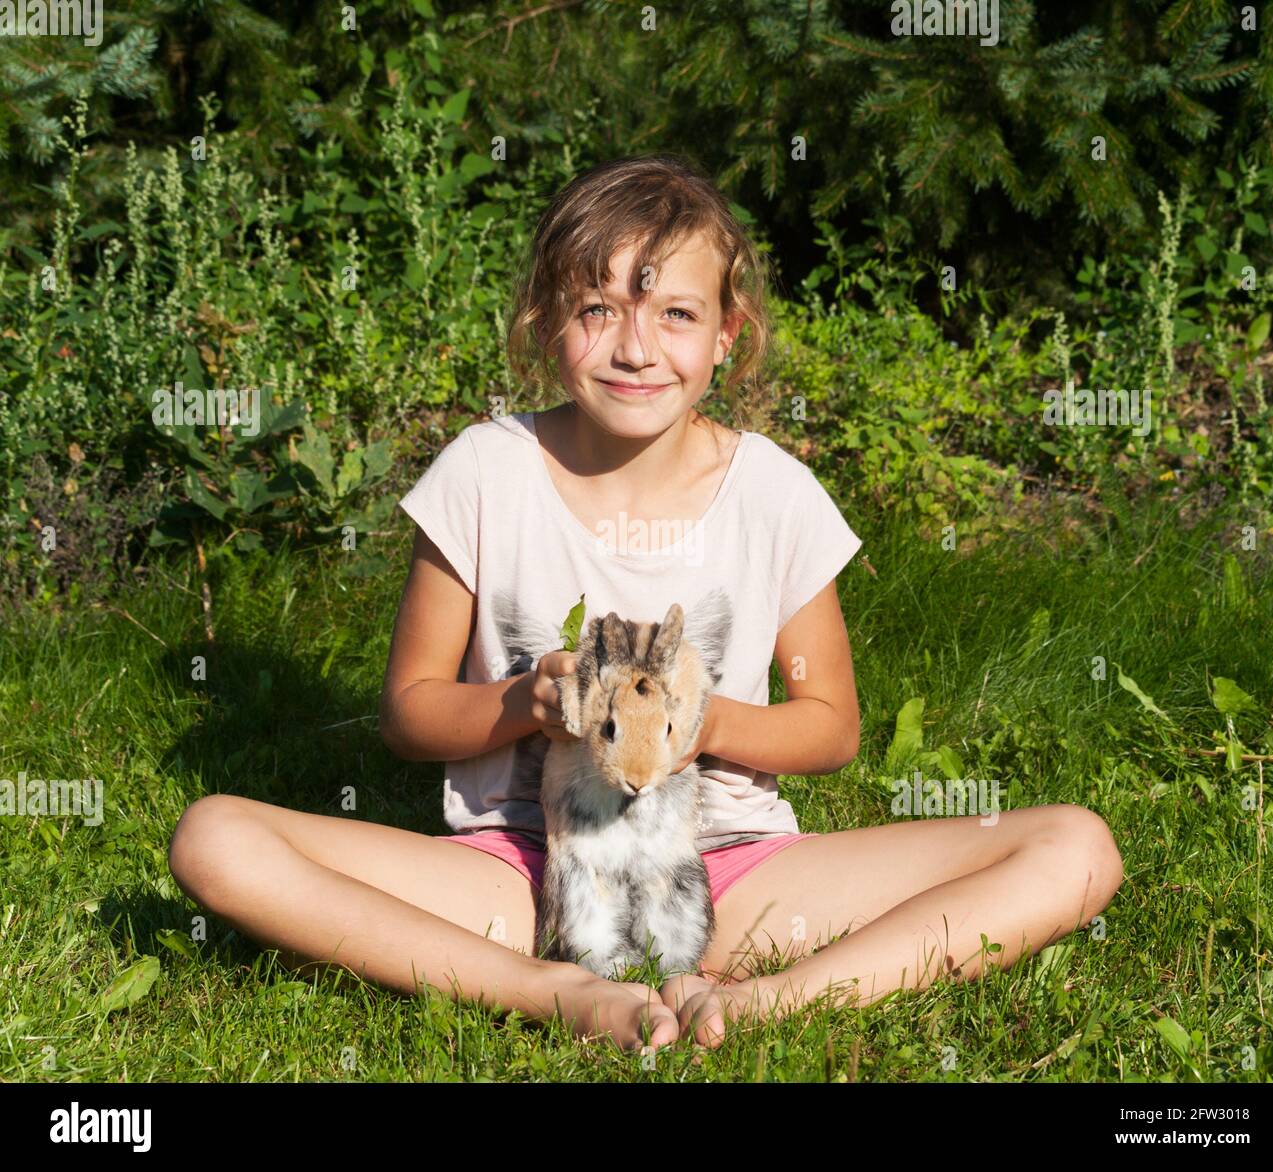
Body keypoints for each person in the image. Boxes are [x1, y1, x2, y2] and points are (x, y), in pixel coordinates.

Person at [167, 153, 1124, 1055]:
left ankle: (755, 1000)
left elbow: (831, 730)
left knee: (1077, 846)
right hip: (520, 868)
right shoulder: (486, 473)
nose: (635, 349)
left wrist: (698, 727)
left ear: (726, 334)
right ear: (547, 322)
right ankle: (561, 993)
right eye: (597, 308)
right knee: (214, 837)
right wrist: (524, 705)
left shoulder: (774, 494)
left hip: (731, 868)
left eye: (674, 313)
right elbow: (408, 714)